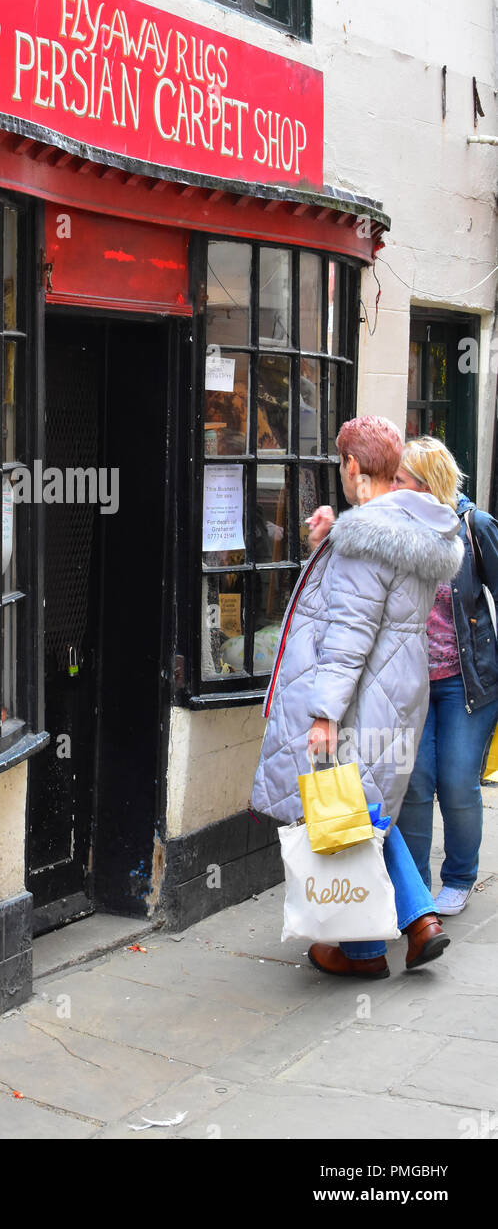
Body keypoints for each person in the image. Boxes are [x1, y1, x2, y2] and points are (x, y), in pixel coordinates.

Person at [251, 416, 464, 978]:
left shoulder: (365, 537)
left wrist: (323, 713)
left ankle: (365, 950)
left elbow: (349, 633)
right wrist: (338, 529)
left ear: (352, 467)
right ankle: (418, 922)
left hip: (362, 690)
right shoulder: (409, 525)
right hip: (401, 685)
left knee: (350, 811)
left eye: (340, 466)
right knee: (366, 807)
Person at [391, 437, 498, 914]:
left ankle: (459, 877)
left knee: (457, 780)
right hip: (411, 684)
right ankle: (415, 893)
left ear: (427, 486)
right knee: (414, 783)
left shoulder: (474, 528)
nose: (393, 488)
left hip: (466, 680)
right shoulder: (393, 530)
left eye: (401, 480)